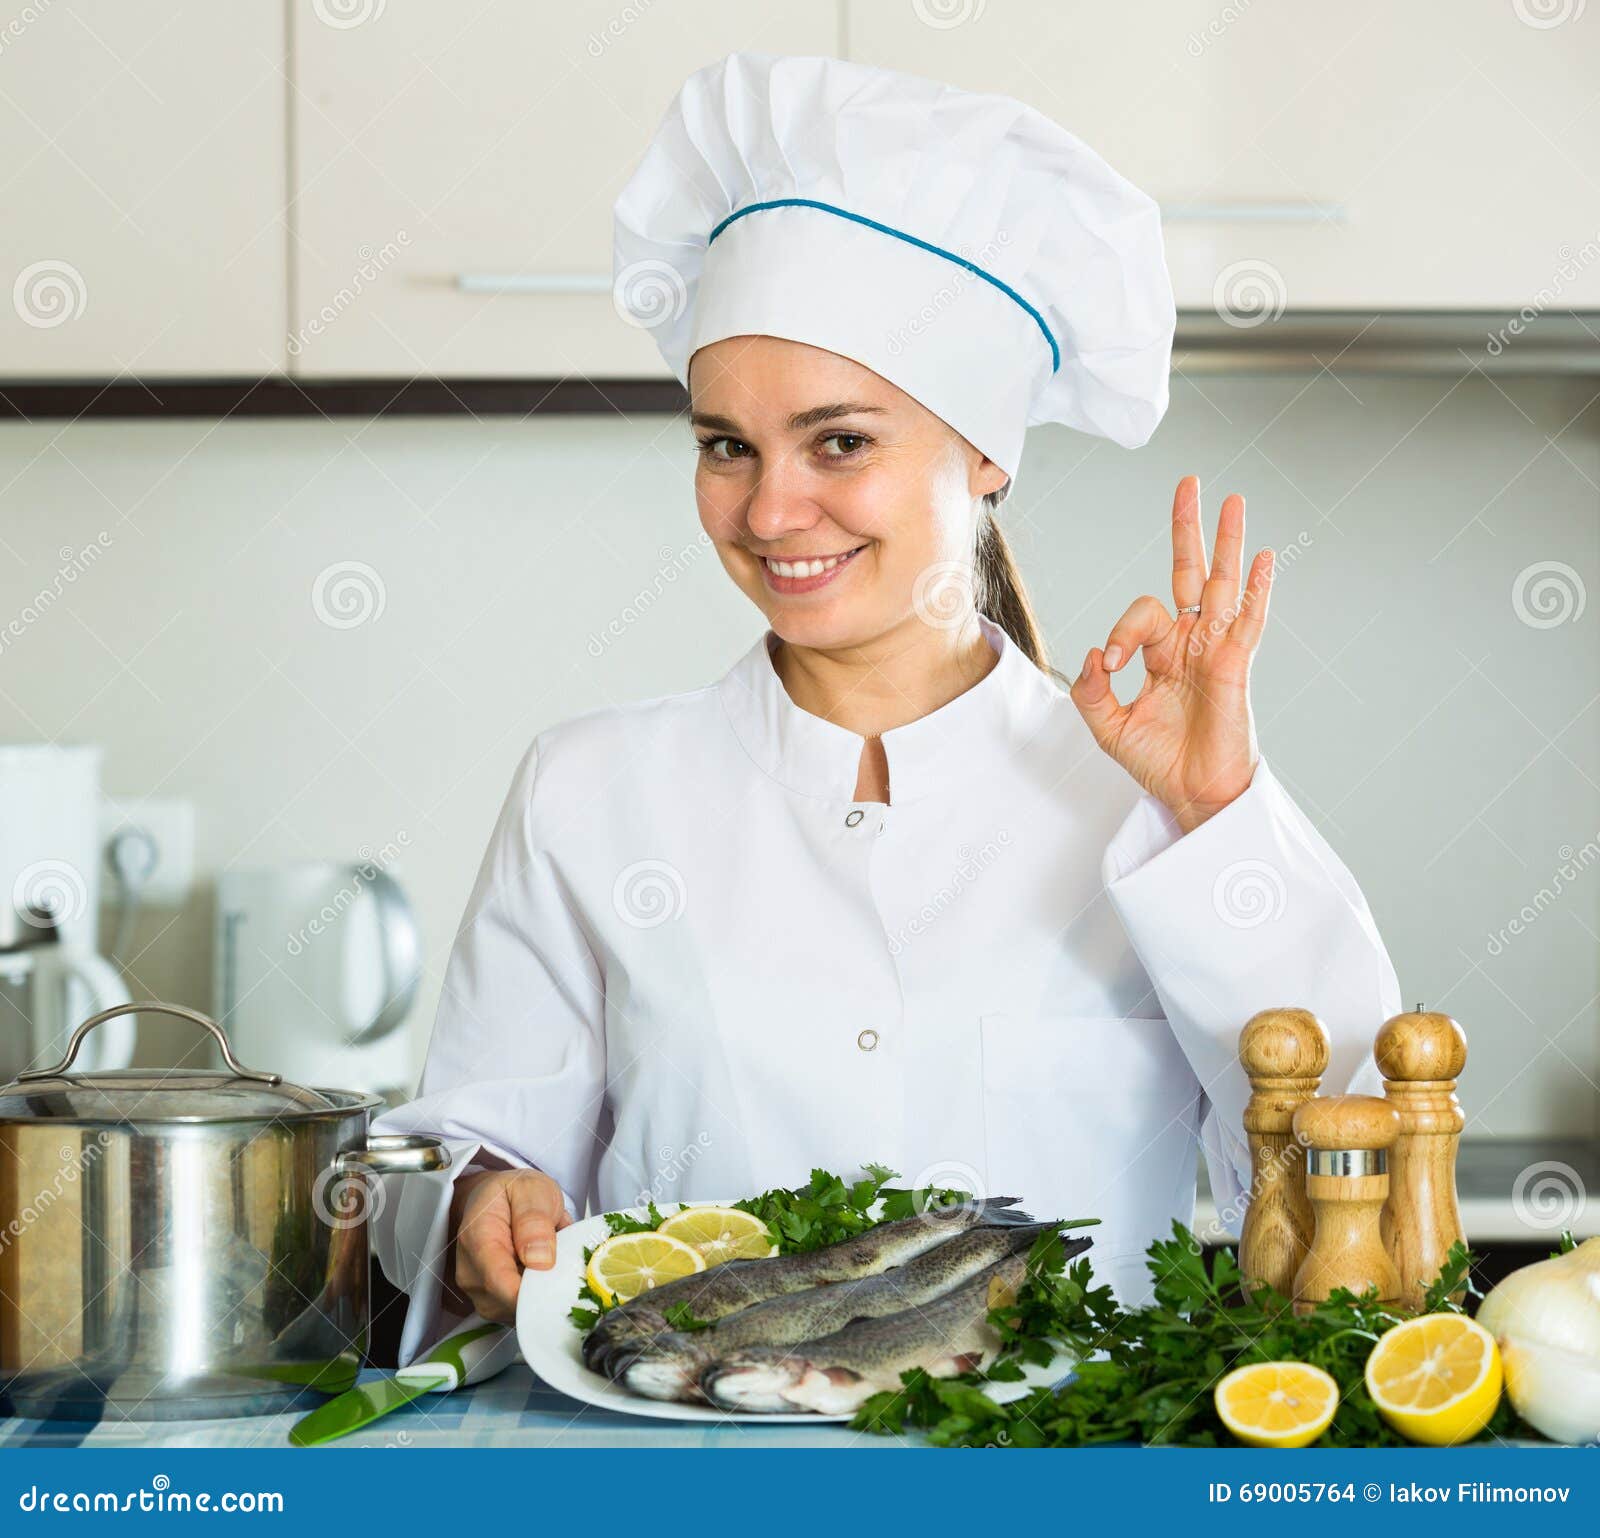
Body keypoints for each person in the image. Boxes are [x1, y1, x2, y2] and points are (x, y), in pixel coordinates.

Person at [371, 51, 1398, 1374]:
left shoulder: (1143, 799)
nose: (768, 507)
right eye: (724, 442)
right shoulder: (590, 790)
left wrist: (1219, 819)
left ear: (984, 453)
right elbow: (478, 1146)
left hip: (1045, 1491)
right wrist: (473, 1201)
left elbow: (1356, 1182)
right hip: (688, 1494)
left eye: (838, 439)